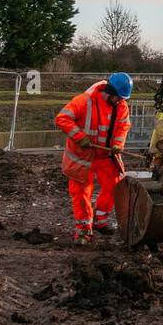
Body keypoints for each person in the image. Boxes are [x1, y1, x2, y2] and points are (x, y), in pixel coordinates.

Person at [54, 73, 133, 244]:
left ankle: (100, 221)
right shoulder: (84, 101)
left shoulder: (121, 105)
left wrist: (118, 145)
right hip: (82, 157)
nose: (120, 100)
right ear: (109, 91)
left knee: (114, 186)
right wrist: (80, 137)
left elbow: (123, 126)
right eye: (119, 97)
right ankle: (83, 230)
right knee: (81, 193)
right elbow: (62, 118)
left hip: (106, 156)